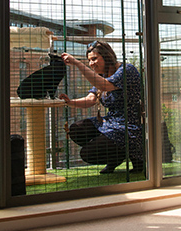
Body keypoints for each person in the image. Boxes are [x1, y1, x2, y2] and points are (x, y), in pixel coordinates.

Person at [58, 40, 144, 174]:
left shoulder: (126, 70)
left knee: (87, 154)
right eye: (89, 60)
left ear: (107, 56)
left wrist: (77, 64)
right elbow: (91, 99)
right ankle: (115, 155)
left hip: (128, 126)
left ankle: (127, 155)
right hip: (111, 122)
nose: (91, 63)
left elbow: (105, 86)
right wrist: (70, 102)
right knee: (76, 129)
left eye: (94, 59)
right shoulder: (102, 76)